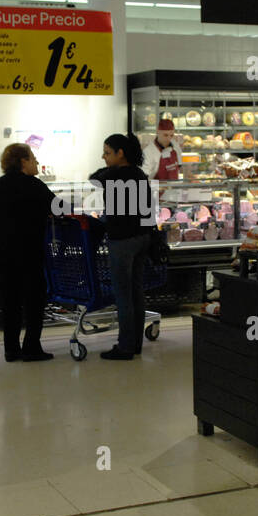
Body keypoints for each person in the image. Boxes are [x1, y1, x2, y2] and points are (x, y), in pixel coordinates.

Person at [89, 133, 153, 361]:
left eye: (107, 153)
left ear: (120, 153)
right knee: (136, 292)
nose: (103, 157)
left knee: (123, 295)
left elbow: (92, 178)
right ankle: (135, 343)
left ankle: (125, 346)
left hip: (122, 241)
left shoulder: (113, 176)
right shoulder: (139, 174)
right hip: (142, 238)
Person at [0, 143, 55, 362]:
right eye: (33, 158)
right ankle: (31, 347)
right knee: (34, 299)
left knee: (10, 300)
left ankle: (11, 349)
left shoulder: (0, 184)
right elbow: (59, 206)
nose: (36, 162)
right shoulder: (34, 184)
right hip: (29, 250)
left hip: (3, 250)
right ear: (22, 162)